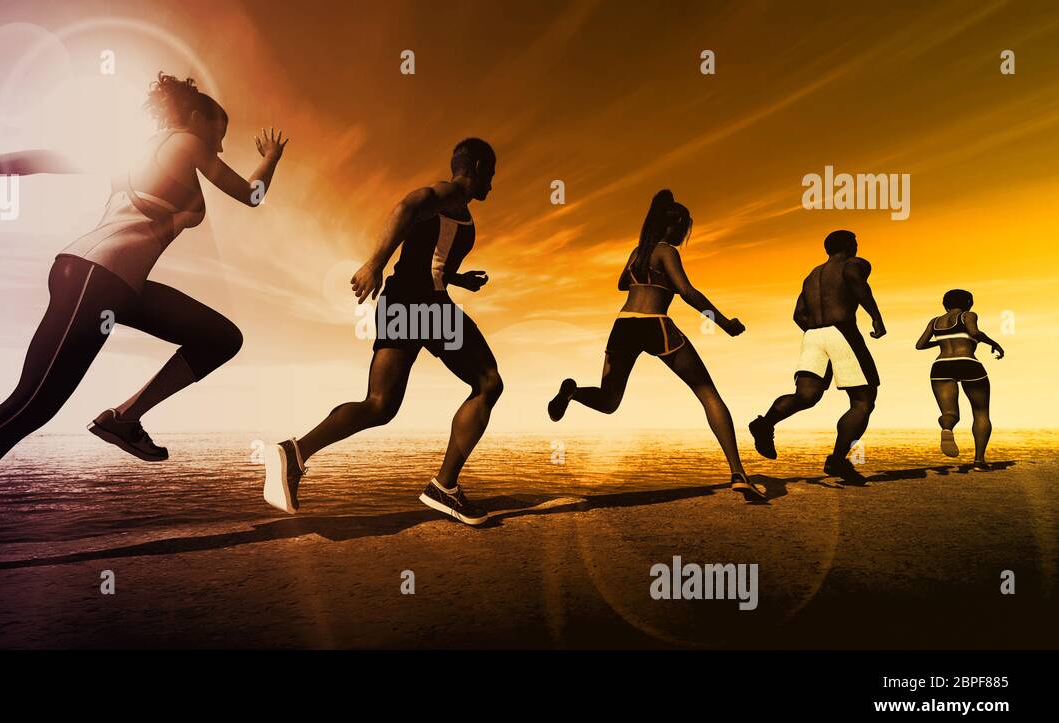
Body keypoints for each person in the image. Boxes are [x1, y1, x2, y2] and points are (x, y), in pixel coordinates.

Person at [0, 73, 287, 585]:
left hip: (115, 284)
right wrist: (271, 157)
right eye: (220, 132)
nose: (219, 145)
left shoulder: (137, 151)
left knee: (220, 337)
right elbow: (251, 194)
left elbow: (46, 159)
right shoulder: (184, 140)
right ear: (196, 119)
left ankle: (123, 419)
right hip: (96, 279)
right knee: (26, 407)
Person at [262, 139, 499, 526]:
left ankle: (295, 452)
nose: (492, 182)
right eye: (490, 172)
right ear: (474, 165)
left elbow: (429, 257)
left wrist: (458, 278)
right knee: (486, 382)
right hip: (418, 305)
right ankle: (444, 487)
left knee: (380, 405)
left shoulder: (458, 210)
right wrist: (374, 263)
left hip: (418, 304)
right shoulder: (447, 192)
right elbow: (407, 206)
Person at [547, 189, 764, 501]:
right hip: (655, 324)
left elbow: (622, 283)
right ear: (674, 227)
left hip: (623, 325)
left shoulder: (638, 252)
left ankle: (573, 393)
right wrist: (724, 323)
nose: (685, 234)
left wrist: (645, 271)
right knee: (707, 393)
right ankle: (738, 473)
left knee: (609, 401)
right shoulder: (667, 251)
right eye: (685, 228)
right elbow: (688, 292)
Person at [748, 229, 884, 485]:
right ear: (849, 245)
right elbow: (855, 280)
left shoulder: (811, 276)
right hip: (842, 330)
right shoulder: (854, 263)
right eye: (855, 242)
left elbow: (799, 314)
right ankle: (838, 459)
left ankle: (765, 423)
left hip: (812, 335)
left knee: (805, 396)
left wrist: (820, 335)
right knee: (863, 400)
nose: (856, 246)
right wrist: (875, 317)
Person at [915, 289, 1003, 470]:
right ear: (969, 303)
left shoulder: (935, 322)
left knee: (950, 414)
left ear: (944, 304)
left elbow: (920, 345)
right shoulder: (967, 315)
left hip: (941, 366)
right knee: (980, 412)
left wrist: (942, 341)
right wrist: (994, 343)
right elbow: (975, 332)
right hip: (968, 363)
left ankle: (947, 429)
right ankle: (979, 461)